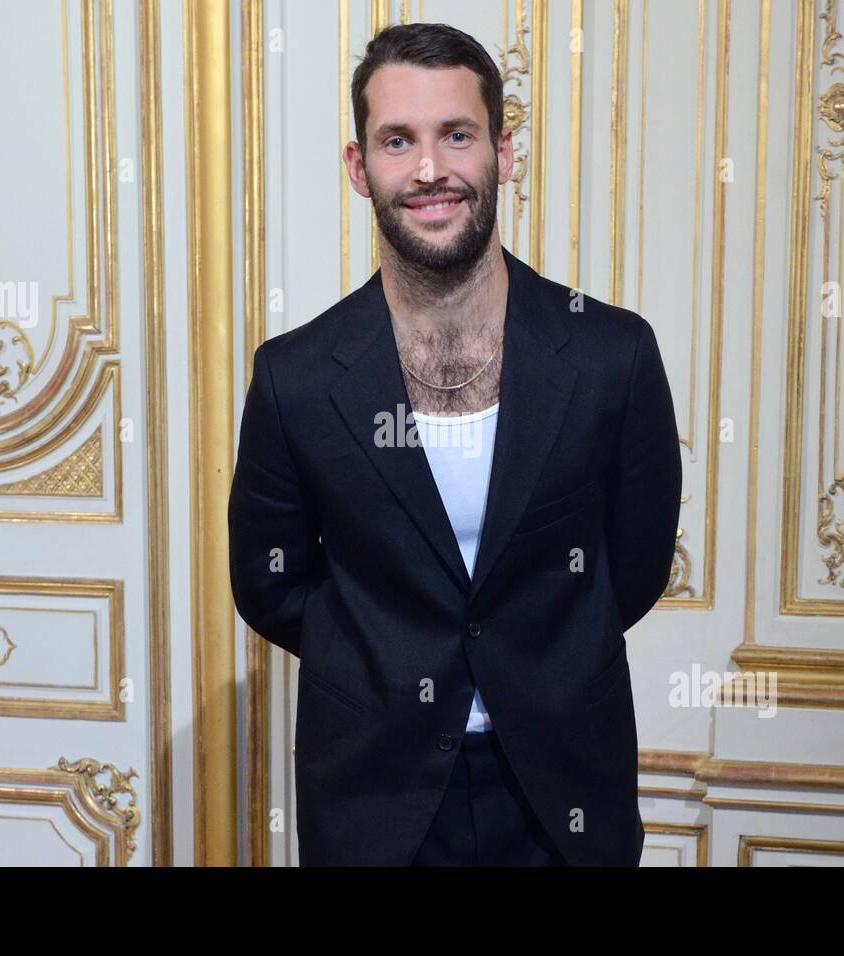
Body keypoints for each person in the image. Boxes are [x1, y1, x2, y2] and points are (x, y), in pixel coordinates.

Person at [228, 22, 681, 866]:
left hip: (564, 793)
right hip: (375, 800)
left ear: (504, 153)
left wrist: (531, 660)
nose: (430, 170)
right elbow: (270, 585)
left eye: (456, 135)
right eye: (399, 141)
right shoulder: (294, 378)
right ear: (360, 169)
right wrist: (385, 658)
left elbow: (636, 564)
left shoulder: (612, 355)